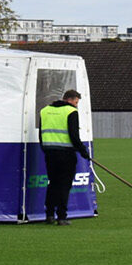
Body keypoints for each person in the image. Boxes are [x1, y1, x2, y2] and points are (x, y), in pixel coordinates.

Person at [38, 88, 91, 225]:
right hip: (66, 153)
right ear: (69, 99)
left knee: (53, 184)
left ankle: (49, 215)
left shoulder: (45, 111)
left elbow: (41, 134)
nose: (76, 105)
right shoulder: (71, 111)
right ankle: (62, 217)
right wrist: (83, 151)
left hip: (50, 153)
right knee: (64, 185)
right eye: (76, 102)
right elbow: (74, 135)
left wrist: (45, 149)